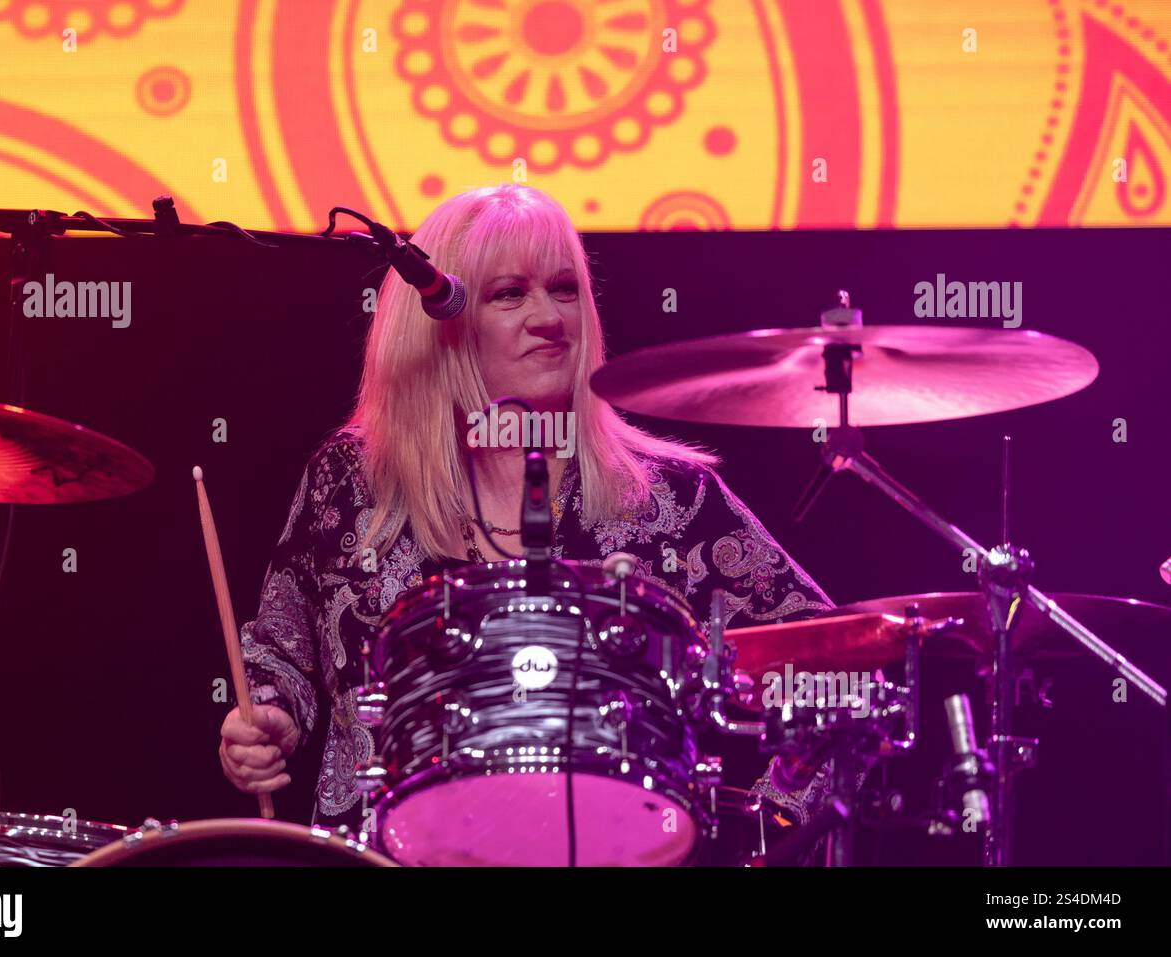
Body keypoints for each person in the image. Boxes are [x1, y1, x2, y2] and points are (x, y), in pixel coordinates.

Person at [218, 183, 836, 841]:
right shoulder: (350, 482)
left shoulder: (669, 500)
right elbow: (279, 657)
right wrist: (268, 720)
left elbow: (831, 661)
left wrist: (764, 827)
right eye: (509, 293)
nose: (550, 317)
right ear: (433, 320)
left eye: (564, 289)